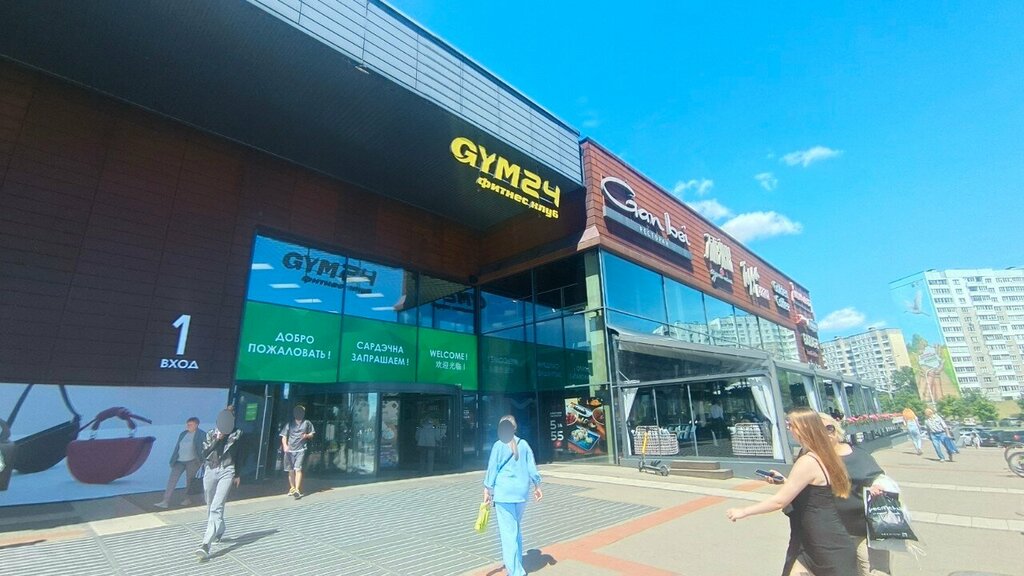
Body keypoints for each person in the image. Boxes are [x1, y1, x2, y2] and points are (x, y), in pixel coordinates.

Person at [726, 407, 857, 576]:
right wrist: (785, 481)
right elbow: (815, 490)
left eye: (791, 425)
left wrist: (743, 511)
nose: (788, 429)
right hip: (815, 538)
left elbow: (779, 501)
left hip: (824, 544)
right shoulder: (822, 454)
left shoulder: (808, 460)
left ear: (803, 428)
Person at [483, 415, 543, 576]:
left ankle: (515, 571)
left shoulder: (498, 445)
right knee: (515, 529)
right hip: (521, 493)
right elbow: (532, 468)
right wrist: (537, 486)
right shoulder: (524, 444)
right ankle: (517, 566)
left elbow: (492, 469)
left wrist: (487, 489)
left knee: (508, 533)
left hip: (504, 493)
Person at [195, 408, 242, 561]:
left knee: (217, 506)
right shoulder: (210, 434)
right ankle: (220, 529)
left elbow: (239, 454)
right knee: (210, 504)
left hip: (227, 470)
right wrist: (217, 439)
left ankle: (205, 544)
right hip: (210, 469)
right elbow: (204, 453)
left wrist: (237, 474)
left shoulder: (237, 434)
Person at [155, 417, 205, 509]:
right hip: (179, 461)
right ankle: (165, 501)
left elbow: (203, 448)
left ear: (196, 425)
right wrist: (172, 460)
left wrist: (202, 461)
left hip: (192, 461)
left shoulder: (201, 434)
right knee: (172, 480)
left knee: (189, 481)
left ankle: (187, 499)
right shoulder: (183, 434)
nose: (188, 426)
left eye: (190, 425)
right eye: (187, 424)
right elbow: (177, 447)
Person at [281, 405, 315, 499]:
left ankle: (297, 489)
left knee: (298, 469)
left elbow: (312, 434)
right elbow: (284, 436)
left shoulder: (307, 423)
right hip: (289, 450)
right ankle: (292, 488)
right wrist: (285, 446)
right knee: (291, 470)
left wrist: (306, 436)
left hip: (300, 449)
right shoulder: (289, 424)